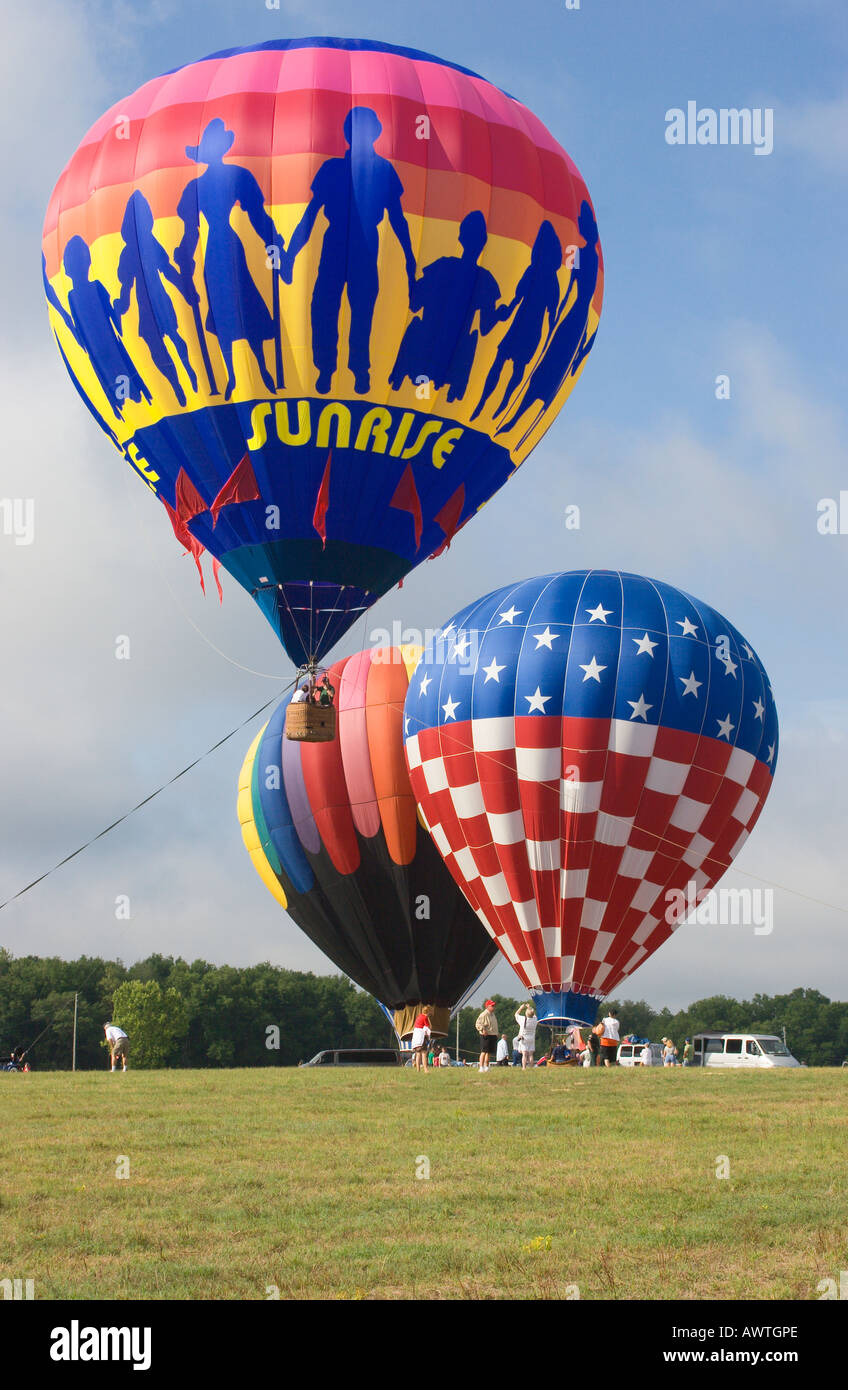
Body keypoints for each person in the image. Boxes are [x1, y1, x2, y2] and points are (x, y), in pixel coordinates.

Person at [475, 999, 499, 1072]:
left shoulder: (492, 1014)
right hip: (486, 1035)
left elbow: (494, 1025)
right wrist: (483, 1030)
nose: (493, 1007)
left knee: (489, 1052)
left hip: (492, 1035)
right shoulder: (484, 1014)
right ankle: (481, 1067)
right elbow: (477, 1024)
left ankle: (486, 1066)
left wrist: (496, 1033)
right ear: (487, 1006)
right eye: (492, 1006)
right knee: (484, 1051)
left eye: (494, 1006)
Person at [515, 1004, 538, 1069]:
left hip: (524, 1038)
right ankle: (531, 1067)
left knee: (524, 1054)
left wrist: (520, 1008)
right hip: (531, 1038)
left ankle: (524, 1067)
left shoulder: (523, 1019)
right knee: (530, 1054)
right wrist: (530, 1007)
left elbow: (516, 1014)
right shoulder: (534, 1020)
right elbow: (534, 1015)